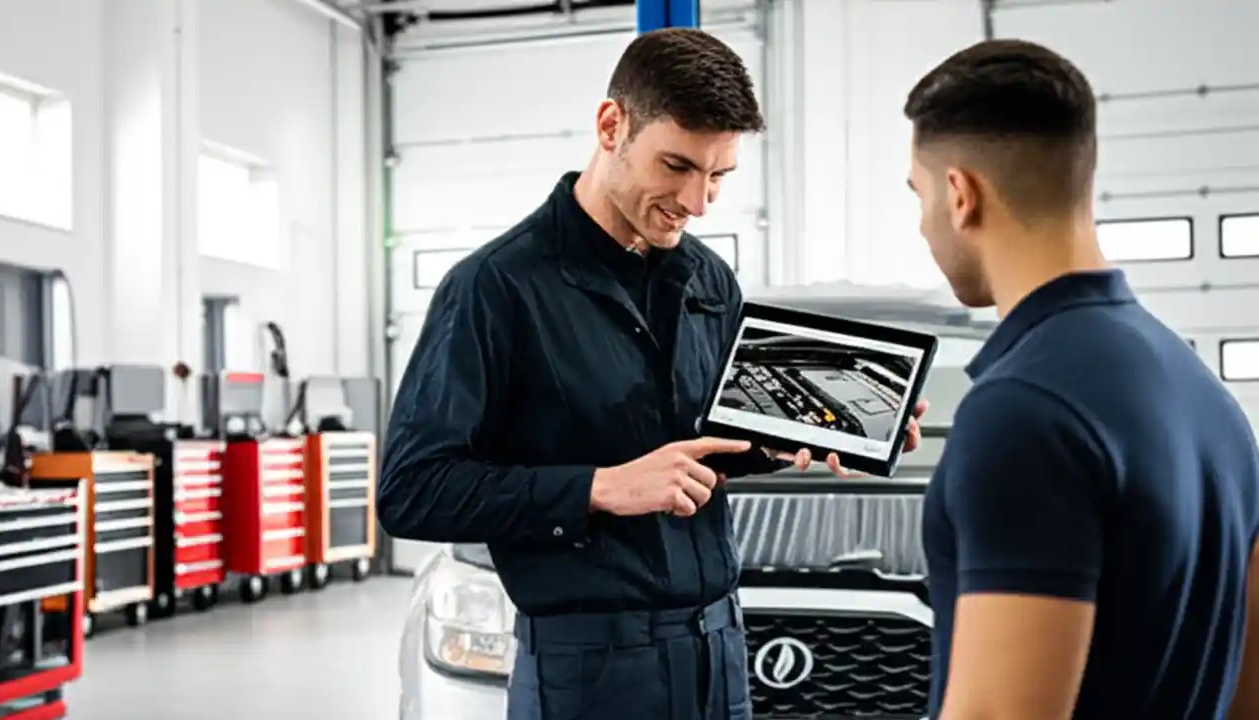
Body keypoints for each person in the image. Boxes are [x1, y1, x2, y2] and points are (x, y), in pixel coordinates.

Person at [377, 27, 925, 720]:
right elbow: (410, 492)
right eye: (676, 167)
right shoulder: (495, 288)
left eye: (718, 176)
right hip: (589, 671)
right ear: (612, 126)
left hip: (719, 652)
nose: (697, 203)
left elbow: (708, 444)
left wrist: (801, 433)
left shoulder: (709, 279)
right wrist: (600, 488)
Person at [902, 38, 1259, 719]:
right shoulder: (1207, 396)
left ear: (959, 195)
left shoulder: (1021, 409)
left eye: (918, 195)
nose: (922, 224)